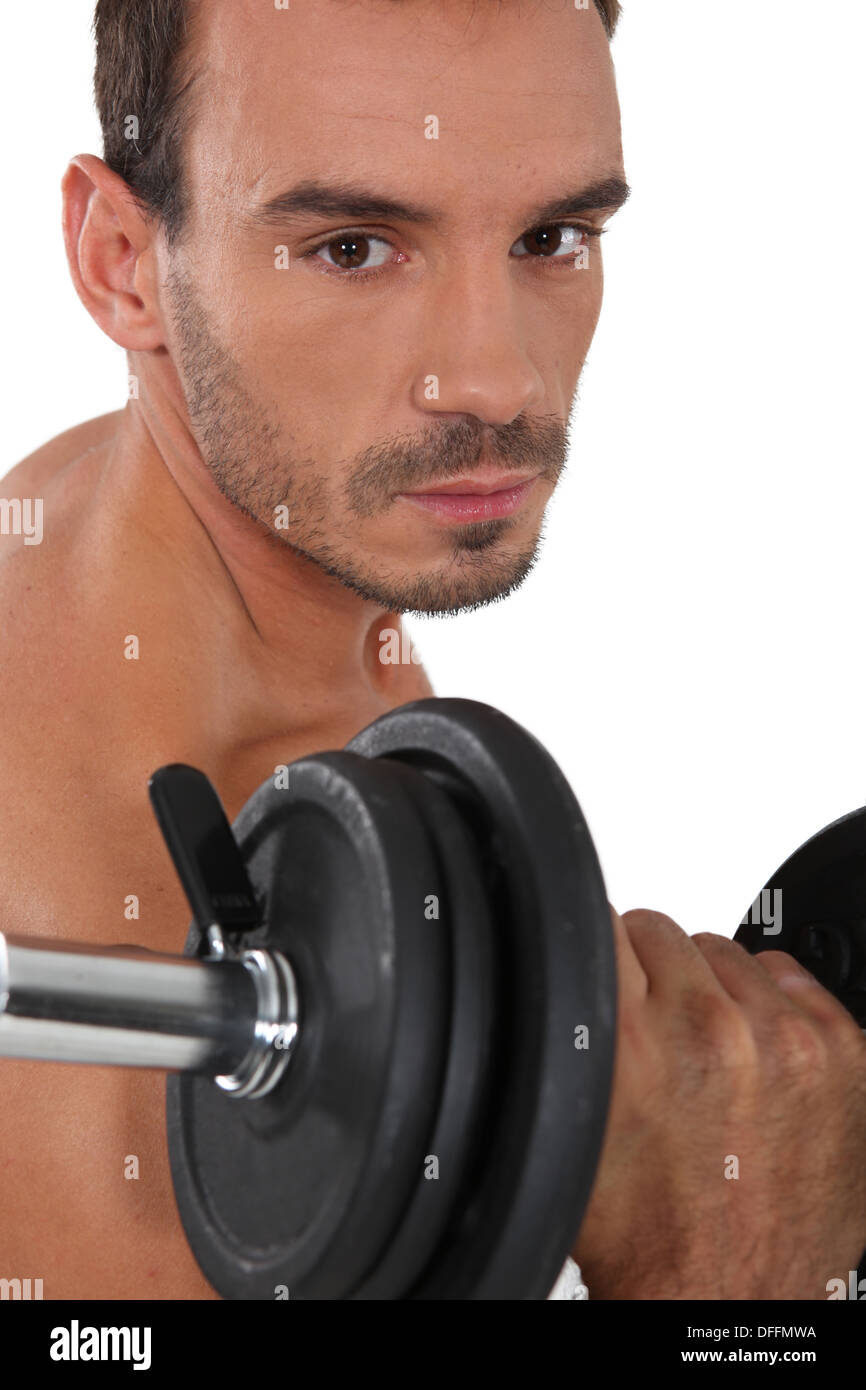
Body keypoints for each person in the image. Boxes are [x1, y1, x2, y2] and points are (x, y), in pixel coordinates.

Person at [0, 0, 863, 1300]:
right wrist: (731, 1282)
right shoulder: (113, 1095)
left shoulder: (198, 530)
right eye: (354, 246)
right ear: (124, 259)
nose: (495, 377)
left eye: (549, 237)